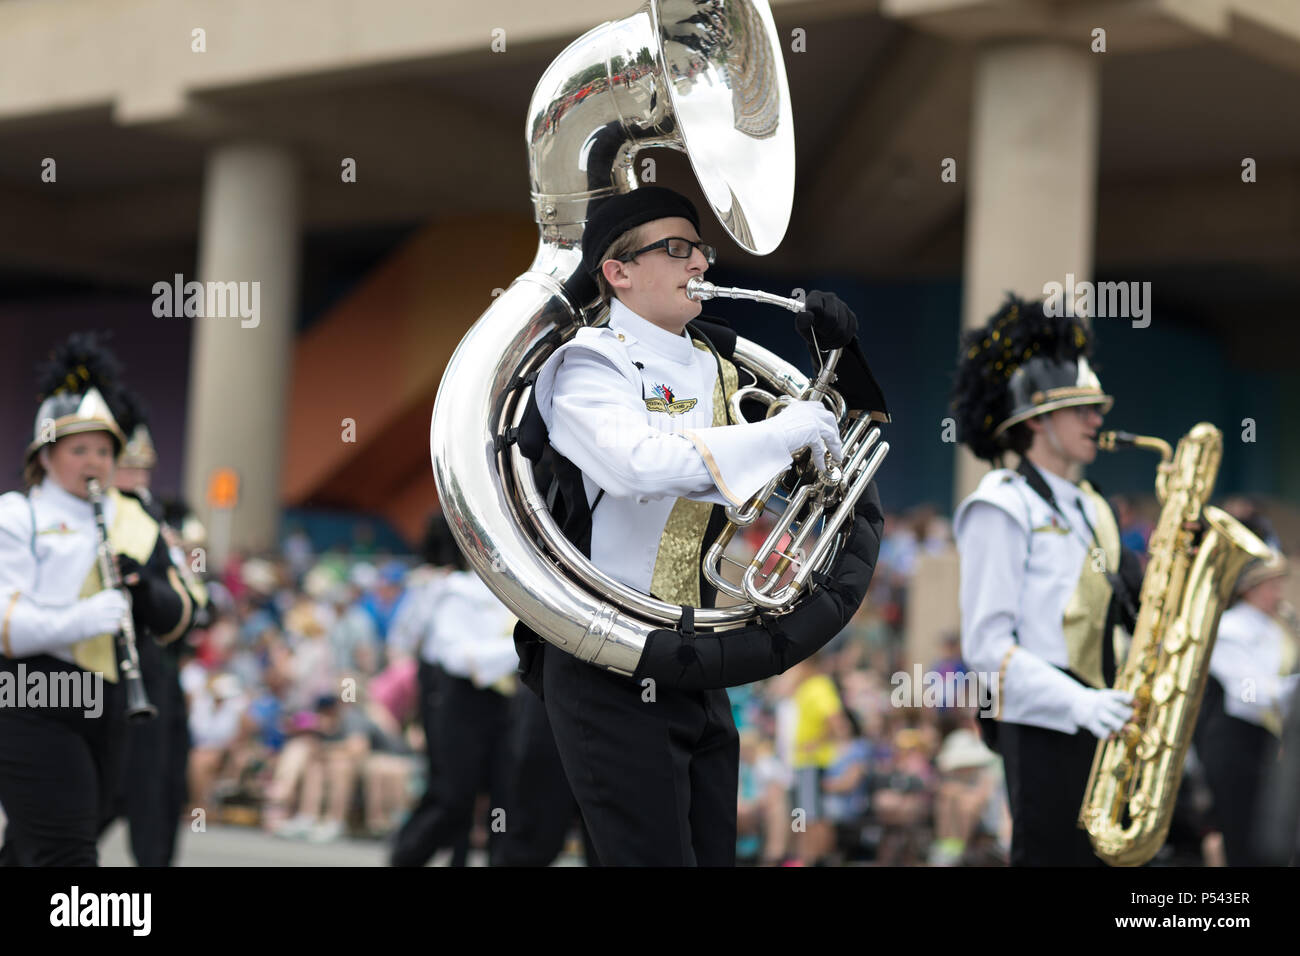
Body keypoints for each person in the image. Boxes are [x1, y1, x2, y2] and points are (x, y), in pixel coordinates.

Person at [516, 186, 886, 866]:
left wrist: (829, 372)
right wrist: (781, 432)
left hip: (696, 652)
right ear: (617, 271)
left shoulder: (717, 363)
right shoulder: (588, 361)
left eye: (701, 251)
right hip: (610, 657)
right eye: (676, 250)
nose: (699, 265)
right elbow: (638, 466)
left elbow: (768, 480)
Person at [950, 295, 1140, 866]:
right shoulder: (1001, 505)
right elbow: (987, 648)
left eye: (1097, 406)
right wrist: (1080, 704)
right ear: (1035, 419)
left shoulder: (1091, 505)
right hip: (1045, 727)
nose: (1096, 419)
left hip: (1105, 716)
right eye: (1080, 407)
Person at [0, 334, 192, 866]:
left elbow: (186, 610)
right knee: (68, 850)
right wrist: (86, 617)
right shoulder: (18, 514)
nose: (95, 462)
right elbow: (7, 625)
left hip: (103, 695)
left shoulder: (130, 522)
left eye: (105, 450)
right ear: (45, 454)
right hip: (29, 689)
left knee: (33, 844)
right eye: (79, 449)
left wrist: (147, 591)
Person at [100, 385, 207, 866]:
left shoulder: (152, 516)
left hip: (160, 672)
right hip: (109, 673)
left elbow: (193, 605)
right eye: (131, 464)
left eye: (144, 468)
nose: (140, 476)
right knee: (101, 797)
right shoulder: (110, 512)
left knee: (160, 795)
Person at [1194, 549, 1297, 865]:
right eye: (1271, 585)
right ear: (1248, 588)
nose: (1277, 594)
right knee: (1243, 840)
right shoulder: (1231, 628)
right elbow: (1248, 694)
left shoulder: (1272, 627)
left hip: (1265, 740)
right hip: (1235, 743)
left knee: (1270, 838)